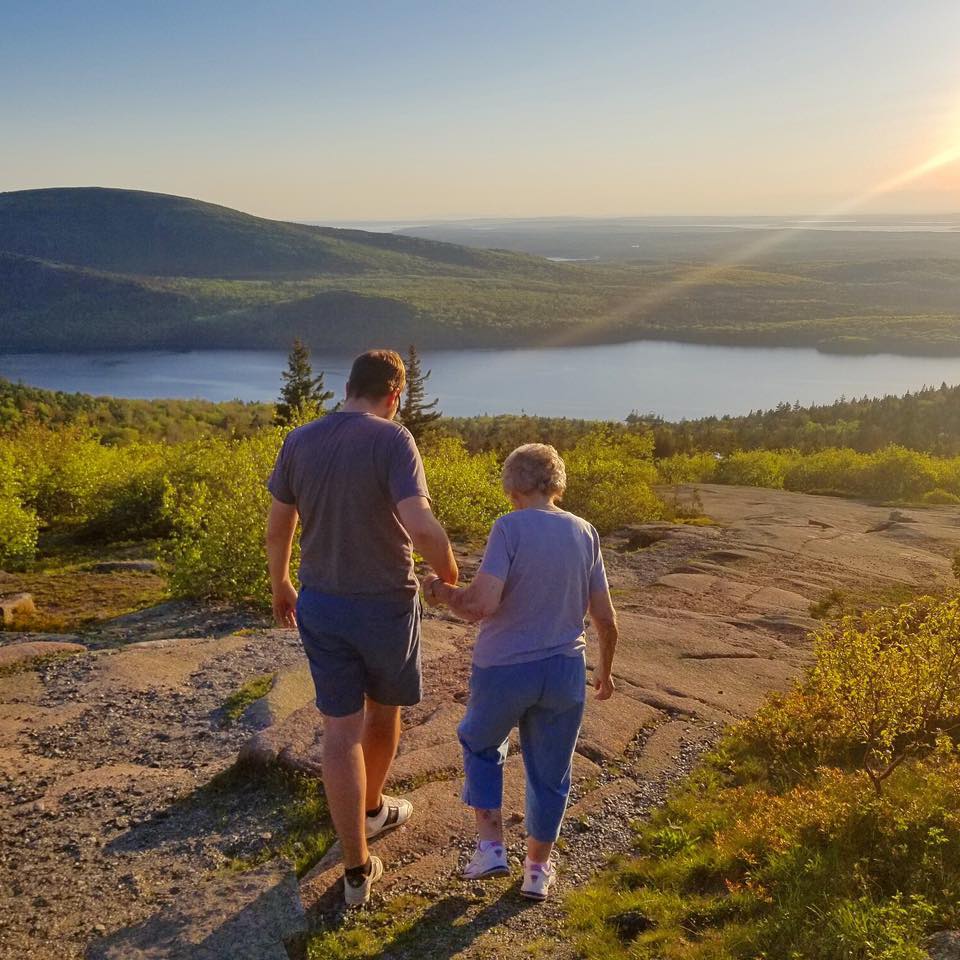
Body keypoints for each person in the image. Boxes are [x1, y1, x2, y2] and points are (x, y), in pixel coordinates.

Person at [265, 348, 458, 907]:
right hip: (384, 607)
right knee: (382, 714)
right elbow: (420, 525)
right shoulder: (393, 440)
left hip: (321, 605)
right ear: (394, 395)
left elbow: (280, 526)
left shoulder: (299, 440)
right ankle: (372, 808)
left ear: (347, 387)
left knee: (339, 732)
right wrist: (449, 576)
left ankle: (355, 867)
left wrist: (280, 583)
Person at [423, 443, 618, 901]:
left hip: (505, 668)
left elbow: (482, 605)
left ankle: (490, 848)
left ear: (513, 486)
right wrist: (605, 673)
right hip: (566, 669)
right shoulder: (585, 532)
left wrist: (442, 593)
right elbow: (606, 618)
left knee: (479, 741)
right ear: (556, 483)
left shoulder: (509, 528)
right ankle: (537, 870)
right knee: (551, 772)